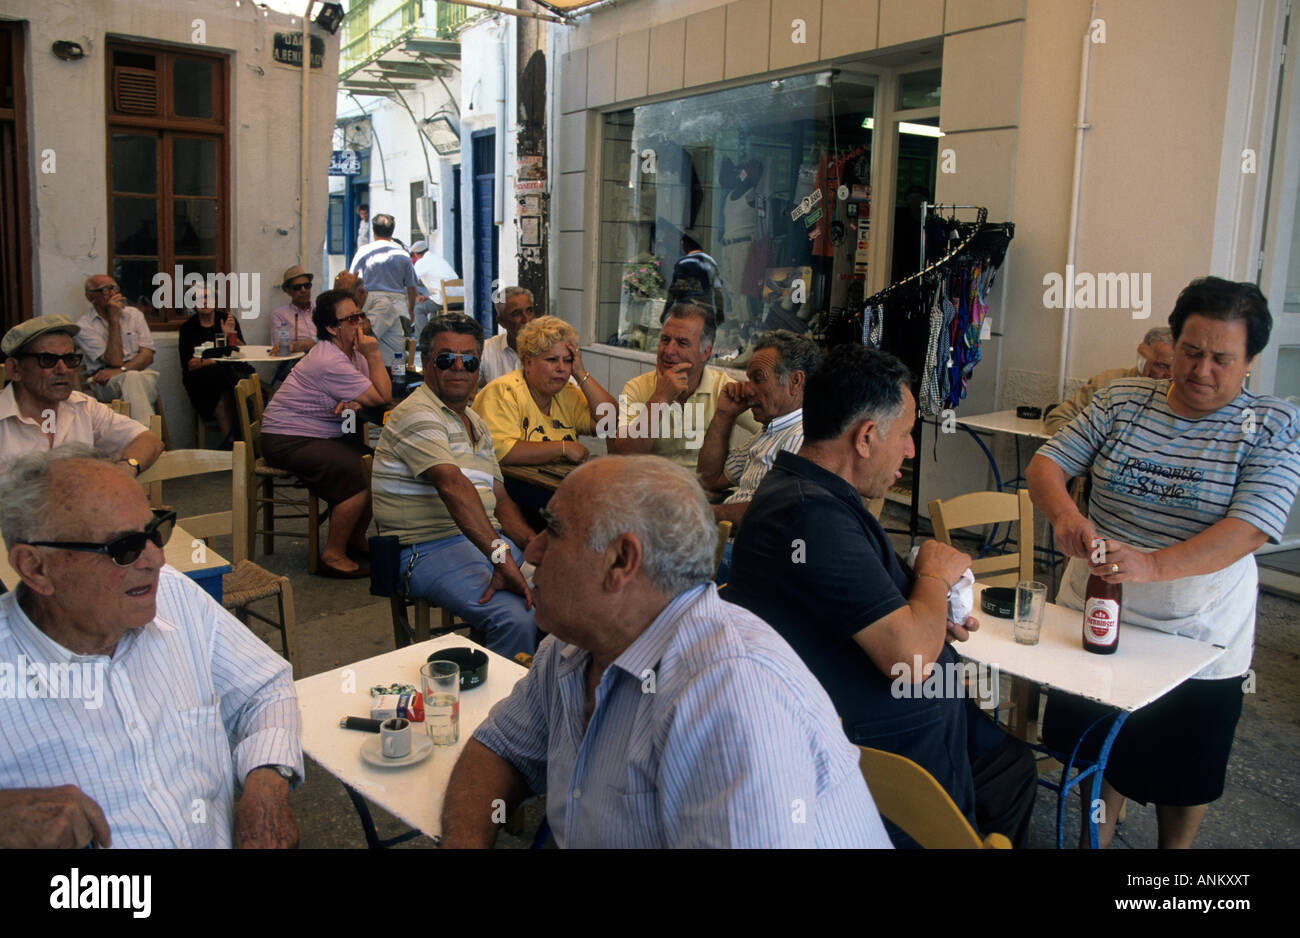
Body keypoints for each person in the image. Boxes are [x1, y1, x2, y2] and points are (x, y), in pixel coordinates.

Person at [440, 455, 893, 848]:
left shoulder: (731, 694)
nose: (533, 549)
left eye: (552, 533)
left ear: (621, 562)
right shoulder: (574, 646)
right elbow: (500, 749)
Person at [722, 344, 1037, 848]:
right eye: (907, 434)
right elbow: (908, 661)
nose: (911, 451)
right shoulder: (810, 515)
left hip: (898, 710)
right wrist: (933, 576)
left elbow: (853, 599)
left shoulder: (807, 493)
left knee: (1015, 766)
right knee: (1006, 776)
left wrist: (927, 610)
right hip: (874, 749)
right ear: (866, 437)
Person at [1026, 276, 1300, 849]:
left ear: (1249, 361)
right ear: (1171, 345)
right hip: (1098, 606)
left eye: (1222, 359)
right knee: (1098, 744)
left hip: (1196, 627)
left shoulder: (1272, 424)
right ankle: (1093, 840)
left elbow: (1249, 528)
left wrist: (1152, 565)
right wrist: (1066, 518)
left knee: (1184, 763)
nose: (1202, 370)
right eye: (1191, 352)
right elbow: (1047, 466)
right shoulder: (1123, 400)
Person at [0, 447, 302, 848]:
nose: (156, 559)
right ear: (37, 567)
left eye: (155, 531)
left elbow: (264, 689)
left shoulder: (174, 595)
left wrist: (266, 783)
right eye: (123, 548)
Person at [370, 314, 539, 659]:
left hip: (477, 538)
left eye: (469, 360)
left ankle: (528, 685)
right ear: (427, 364)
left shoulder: (474, 420)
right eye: (446, 359)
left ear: (479, 367)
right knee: (516, 617)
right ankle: (505, 709)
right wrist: (500, 556)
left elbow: (500, 496)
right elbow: (452, 487)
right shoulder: (418, 413)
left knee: (567, 594)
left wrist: (532, 546)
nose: (458, 368)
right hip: (425, 548)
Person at [260, 289, 393, 578]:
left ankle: (354, 539)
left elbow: (369, 393)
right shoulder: (330, 359)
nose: (361, 324)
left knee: (376, 464)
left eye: (361, 315)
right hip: (287, 437)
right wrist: (374, 353)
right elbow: (383, 395)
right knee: (358, 474)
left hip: (318, 432)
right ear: (332, 328)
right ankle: (332, 554)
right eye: (352, 319)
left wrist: (358, 398)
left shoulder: (350, 354)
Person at [697, 329, 820, 582]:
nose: (748, 390)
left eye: (758, 379)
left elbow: (776, 512)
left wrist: (707, 513)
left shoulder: (801, 437)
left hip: (753, 558)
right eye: (748, 379)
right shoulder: (771, 431)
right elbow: (709, 478)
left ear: (795, 382)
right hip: (730, 543)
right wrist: (724, 415)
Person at [606, 302, 759, 468]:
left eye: (682, 343)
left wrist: (736, 471)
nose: (669, 351)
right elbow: (622, 456)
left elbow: (774, 430)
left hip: (706, 490)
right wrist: (660, 398)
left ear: (706, 352)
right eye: (665, 340)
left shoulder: (724, 388)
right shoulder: (636, 387)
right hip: (652, 488)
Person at [0, 316, 161, 472]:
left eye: (70, 359)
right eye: (48, 359)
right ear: (15, 369)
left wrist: (126, 468)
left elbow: (148, 440)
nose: (63, 370)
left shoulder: (84, 406)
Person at [476, 315, 617, 466]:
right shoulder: (504, 392)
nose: (562, 368)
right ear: (528, 363)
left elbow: (610, 422)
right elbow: (502, 452)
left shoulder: (566, 393)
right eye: (552, 360)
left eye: (568, 361)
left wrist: (580, 373)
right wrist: (562, 448)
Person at [1044, 326, 1175, 434]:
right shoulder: (1107, 383)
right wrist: (1096, 446)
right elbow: (1056, 420)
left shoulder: (1179, 400)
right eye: (1162, 366)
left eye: (1176, 368)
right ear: (1143, 362)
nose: (1170, 375)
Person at [76, 275, 159, 426]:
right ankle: (148, 435)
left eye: (114, 288)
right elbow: (114, 360)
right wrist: (114, 319)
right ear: (90, 297)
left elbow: (147, 356)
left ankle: (137, 436)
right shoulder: (84, 326)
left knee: (133, 378)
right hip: (105, 382)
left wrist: (121, 370)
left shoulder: (134, 315)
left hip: (141, 375)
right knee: (132, 379)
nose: (113, 293)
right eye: (105, 290)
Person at [178, 286, 253, 445]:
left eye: (208, 297)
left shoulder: (226, 319)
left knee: (249, 383)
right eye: (199, 299)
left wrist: (230, 334)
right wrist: (216, 360)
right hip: (200, 378)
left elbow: (243, 350)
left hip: (230, 372)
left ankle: (250, 441)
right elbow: (190, 365)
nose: (204, 302)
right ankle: (232, 444)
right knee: (218, 385)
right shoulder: (188, 328)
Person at [349, 213, 419, 367]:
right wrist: (411, 310)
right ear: (392, 232)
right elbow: (411, 287)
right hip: (399, 308)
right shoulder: (402, 254)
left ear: (373, 231)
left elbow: (351, 278)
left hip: (370, 306)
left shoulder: (364, 251)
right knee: (396, 350)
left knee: (363, 347)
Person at [662, 231, 724, 322]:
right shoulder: (711, 262)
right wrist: (720, 311)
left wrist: (665, 312)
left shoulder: (682, 263)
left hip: (685, 312)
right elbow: (718, 290)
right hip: (706, 312)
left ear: (686, 244)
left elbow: (673, 292)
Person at [479, 287, 536, 386]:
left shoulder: (551, 349)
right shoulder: (487, 349)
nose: (526, 320)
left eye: (529, 311)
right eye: (516, 313)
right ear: (501, 321)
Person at [269, 265, 317, 356]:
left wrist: (297, 345)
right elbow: (281, 347)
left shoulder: (320, 308)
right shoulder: (279, 315)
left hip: (323, 357)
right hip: (296, 360)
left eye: (307, 286)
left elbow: (332, 338)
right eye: (297, 287)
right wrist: (316, 341)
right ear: (288, 291)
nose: (303, 290)